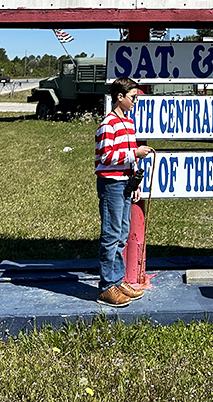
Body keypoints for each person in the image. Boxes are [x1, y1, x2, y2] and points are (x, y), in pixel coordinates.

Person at [95, 76, 151, 307]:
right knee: (111, 233)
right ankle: (107, 286)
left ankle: (117, 281)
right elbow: (105, 156)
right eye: (132, 98)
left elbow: (128, 156)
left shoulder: (128, 123)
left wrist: (135, 182)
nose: (135, 102)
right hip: (111, 184)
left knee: (122, 233)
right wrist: (134, 155)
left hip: (125, 183)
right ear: (119, 97)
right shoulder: (108, 124)